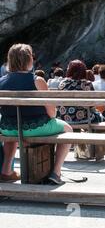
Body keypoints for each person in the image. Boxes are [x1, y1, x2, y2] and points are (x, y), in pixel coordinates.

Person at [0, 44, 72, 185]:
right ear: (29, 60)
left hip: (7, 128)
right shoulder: (37, 81)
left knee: (13, 135)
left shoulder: (1, 82)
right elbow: (52, 113)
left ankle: (6, 171)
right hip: (35, 127)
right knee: (68, 129)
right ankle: (56, 172)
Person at [58, 60, 103, 125]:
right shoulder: (87, 84)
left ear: (70, 70)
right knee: (100, 116)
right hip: (84, 119)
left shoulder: (63, 83)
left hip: (65, 118)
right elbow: (92, 105)